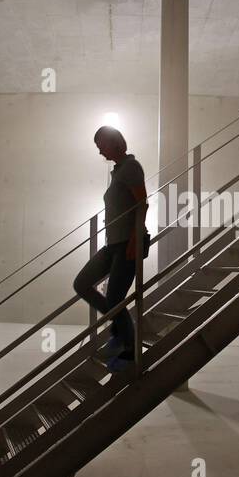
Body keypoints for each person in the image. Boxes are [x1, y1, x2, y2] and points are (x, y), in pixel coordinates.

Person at [74, 126, 148, 373]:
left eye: (101, 145)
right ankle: (119, 328)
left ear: (114, 142)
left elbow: (142, 204)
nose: (99, 151)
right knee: (82, 283)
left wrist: (135, 240)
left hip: (128, 244)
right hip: (113, 244)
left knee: (116, 298)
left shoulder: (131, 168)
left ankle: (129, 352)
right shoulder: (118, 172)